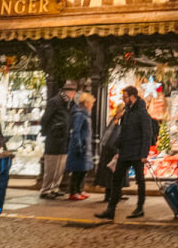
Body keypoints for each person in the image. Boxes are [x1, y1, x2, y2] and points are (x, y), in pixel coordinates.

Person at [98, 85, 155, 219]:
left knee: (140, 180)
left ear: (132, 97)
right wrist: (117, 148)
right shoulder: (127, 112)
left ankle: (139, 207)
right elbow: (123, 132)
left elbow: (147, 134)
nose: (124, 100)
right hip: (125, 152)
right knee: (116, 180)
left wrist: (144, 154)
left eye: (125, 97)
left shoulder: (142, 113)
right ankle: (111, 209)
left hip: (136, 153)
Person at [39, 82, 75, 199]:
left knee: (60, 166)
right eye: (73, 92)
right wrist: (49, 132)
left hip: (64, 140)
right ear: (68, 92)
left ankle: (55, 187)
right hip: (54, 139)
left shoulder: (67, 103)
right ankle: (46, 189)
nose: (74, 95)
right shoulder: (55, 102)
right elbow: (45, 119)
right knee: (51, 166)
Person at [66, 92, 94, 200]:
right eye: (91, 103)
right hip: (80, 147)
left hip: (85, 145)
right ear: (86, 103)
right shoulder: (79, 114)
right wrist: (78, 145)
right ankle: (73, 192)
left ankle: (79, 190)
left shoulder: (85, 114)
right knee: (77, 170)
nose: (92, 105)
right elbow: (76, 131)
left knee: (83, 169)